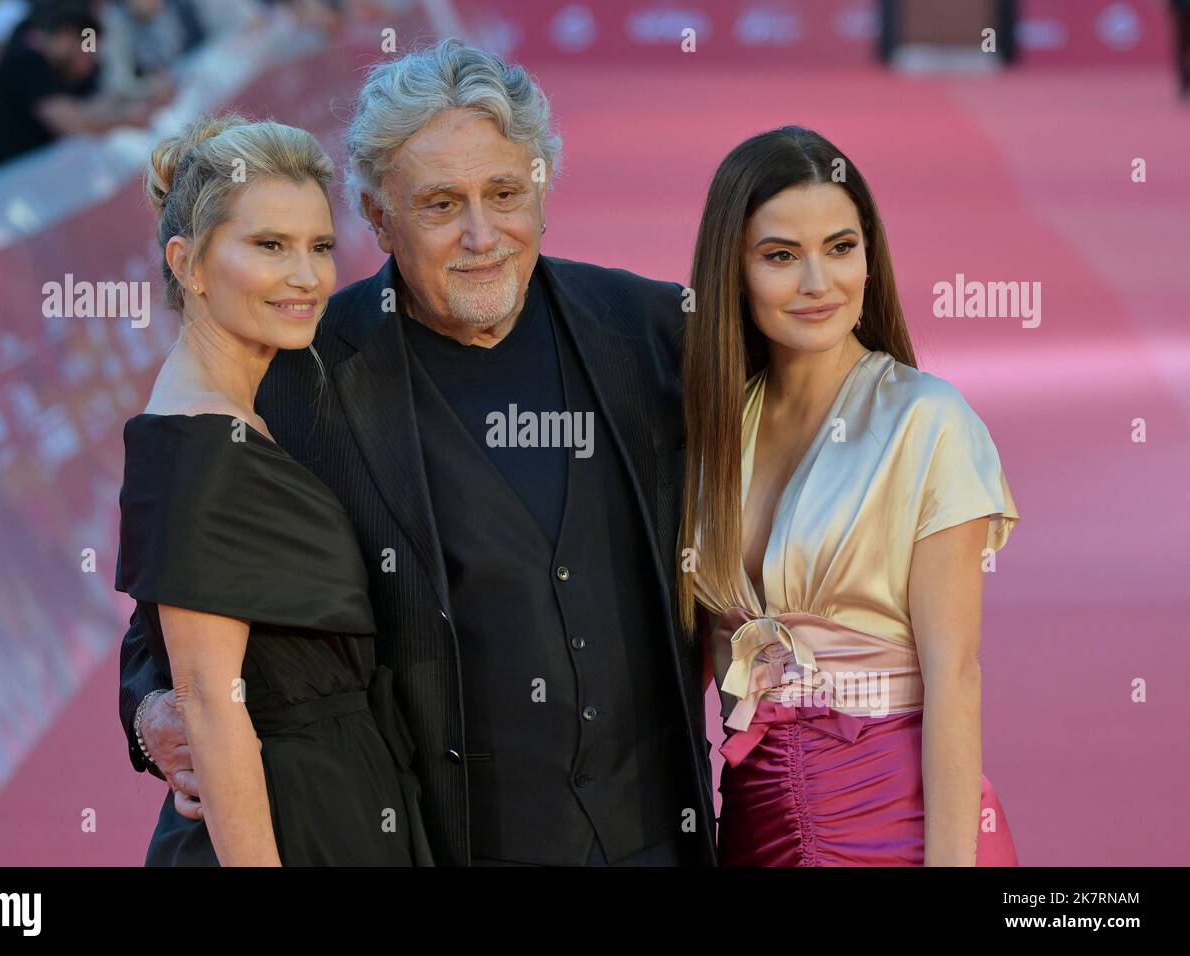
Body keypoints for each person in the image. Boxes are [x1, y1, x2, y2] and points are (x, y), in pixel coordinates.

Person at [120, 38, 719, 867]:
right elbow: (178, 590)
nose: (482, 234)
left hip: (657, 836)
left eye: (505, 192)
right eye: (440, 205)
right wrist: (153, 708)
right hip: (436, 839)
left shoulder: (652, 332)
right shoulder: (301, 373)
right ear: (376, 215)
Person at [679, 126, 1020, 866]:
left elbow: (954, 674)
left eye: (841, 248)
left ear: (870, 260)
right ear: (732, 271)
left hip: (898, 822)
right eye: (780, 256)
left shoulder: (927, 422)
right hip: (756, 820)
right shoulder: (713, 428)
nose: (817, 283)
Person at [116, 113, 433, 866]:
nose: (307, 276)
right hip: (290, 822)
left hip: (338, 799)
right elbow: (213, 711)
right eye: (269, 246)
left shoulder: (243, 413)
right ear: (188, 263)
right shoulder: (198, 447)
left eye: (319, 247)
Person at [0, 1, 156, 173]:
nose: (89, 65)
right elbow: (74, 122)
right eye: (87, 54)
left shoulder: (56, 67)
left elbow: (93, 105)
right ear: (67, 36)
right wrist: (127, 119)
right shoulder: (28, 60)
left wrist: (139, 97)